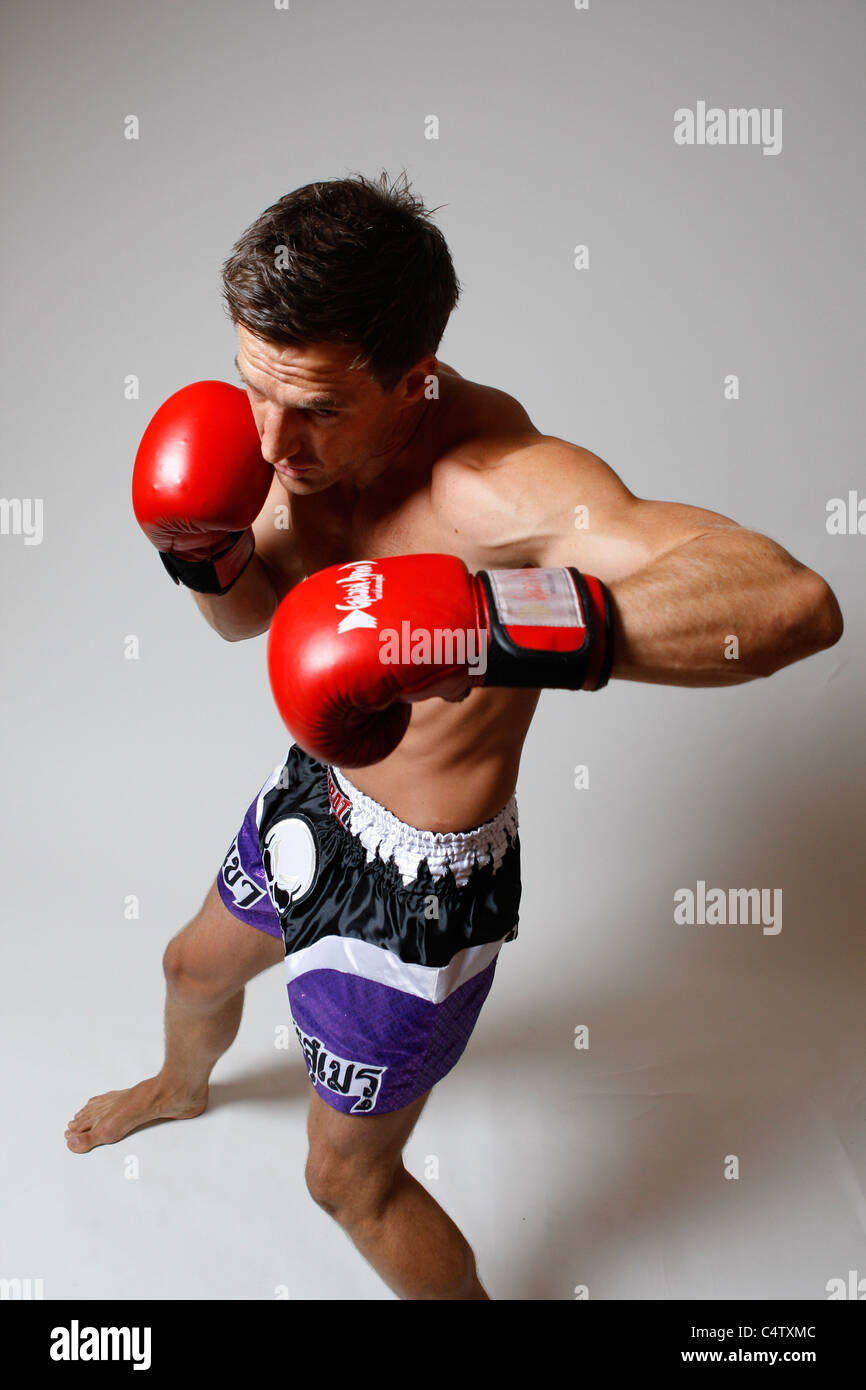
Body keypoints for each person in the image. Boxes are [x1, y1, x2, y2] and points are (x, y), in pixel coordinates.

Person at [66, 172, 843, 1300]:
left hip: (421, 893)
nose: (274, 443)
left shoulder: (498, 488)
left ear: (413, 376)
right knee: (189, 967)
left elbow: (791, 603)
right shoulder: (283, 439)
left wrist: (485, 623)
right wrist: (203, 549)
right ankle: (182, 1088)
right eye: (253, 388)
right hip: (318, 795)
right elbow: (248, 620)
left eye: (317, 407)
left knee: (346, 1184)